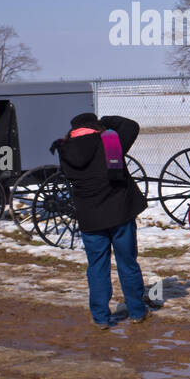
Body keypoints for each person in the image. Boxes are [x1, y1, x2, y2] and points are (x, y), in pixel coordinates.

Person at [53, 112, 149, 329]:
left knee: (97, 267)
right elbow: (131, 125)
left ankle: (100, 318)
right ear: (95, 126)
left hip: (90, 218)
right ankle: (136, 311)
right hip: (119, 214)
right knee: (127, 263)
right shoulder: (109, 142)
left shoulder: (65, 148)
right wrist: (105, 121)